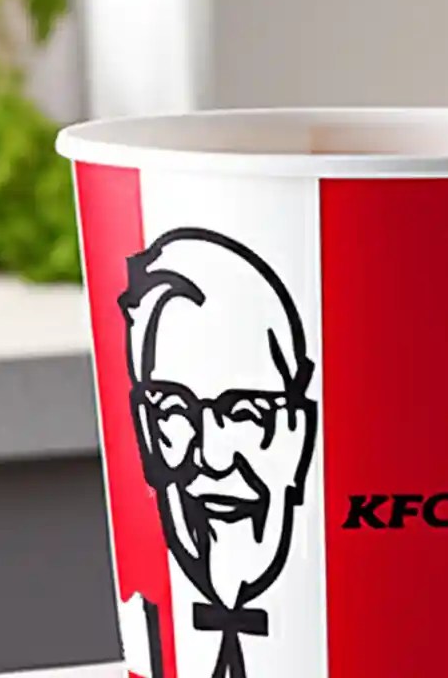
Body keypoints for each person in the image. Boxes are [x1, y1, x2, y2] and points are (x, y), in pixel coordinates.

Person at [116, 227, 317, 678]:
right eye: (175, 410)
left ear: (297, 434)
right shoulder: (147, 640)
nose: (213, 457)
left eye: (244, 412)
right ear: (147, 436)